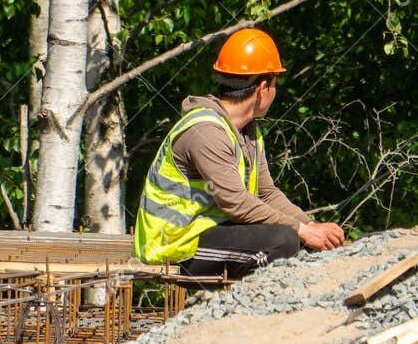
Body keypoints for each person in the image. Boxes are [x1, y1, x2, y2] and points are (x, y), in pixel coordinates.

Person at [133, 28, 347, 277]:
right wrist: (301, 231)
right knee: (284, 241)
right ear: (263, 87)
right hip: (173, 245)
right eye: (275, 83)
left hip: (206, 234)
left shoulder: (248, 132)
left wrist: (310, 226)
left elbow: (266, 193)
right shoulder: (207, 131)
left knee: (296, 238)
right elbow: (235, 203)